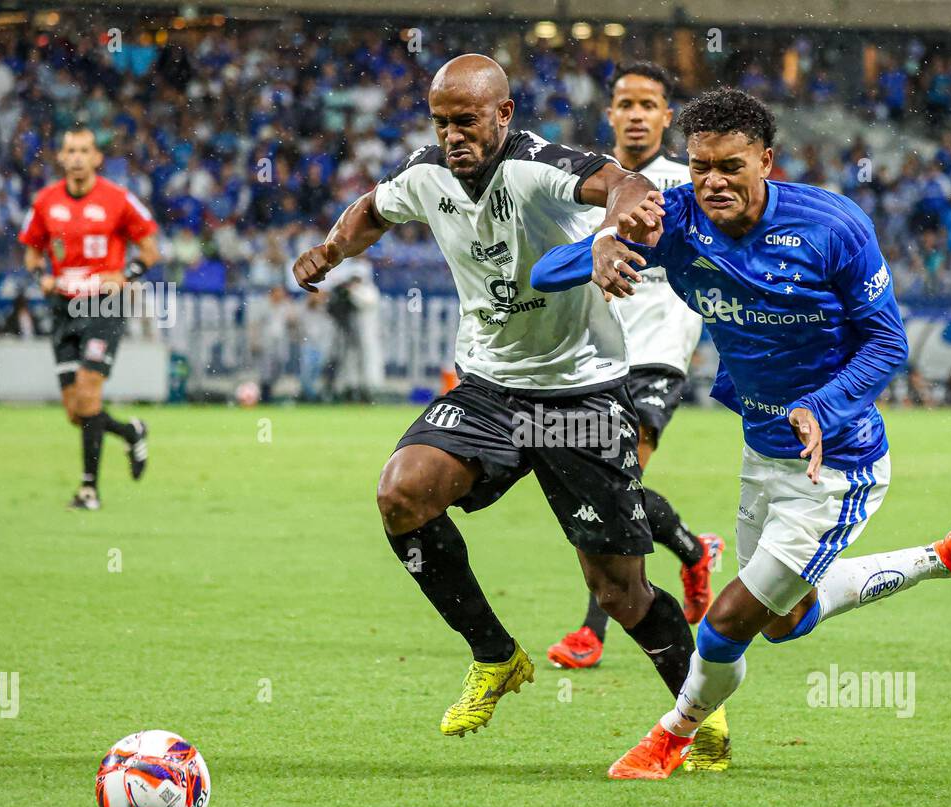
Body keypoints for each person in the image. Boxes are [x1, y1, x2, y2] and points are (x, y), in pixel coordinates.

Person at [530, 88, 951, 779]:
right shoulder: (674, 220)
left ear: (765, 161)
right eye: (701, 165)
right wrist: (595, 248)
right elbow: (542, 272)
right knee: (784, 620)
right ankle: (947, 555)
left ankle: (674, 735)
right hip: (762, 453)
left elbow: (887, 343)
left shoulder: (834, 224)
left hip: (836, 466)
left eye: (731, 167)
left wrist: (822, 409)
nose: (713, 181)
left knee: (727, 624)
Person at [292, 55, 727, 768]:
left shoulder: (537, 167)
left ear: (503, 114)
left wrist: (617, 225)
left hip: (582, 395)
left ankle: (699, 714)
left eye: (466, 120)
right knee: (402, 494)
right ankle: (495, 655)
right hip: (490, 390)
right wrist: (334, 247)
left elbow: (624, 182)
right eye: (441, 122)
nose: (453, 135)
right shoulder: (426, 174)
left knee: (618, 591)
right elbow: (372, 209)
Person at [544, 62, 725, 708]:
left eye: (651, 103)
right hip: (593, 361)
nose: (639, 114)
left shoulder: (688, 184)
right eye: (627, 103)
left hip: (658, 358)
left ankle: (593, 631)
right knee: (610, 488)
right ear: (612, 114)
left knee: (615, 485)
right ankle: (691, 547)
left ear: (667, 116)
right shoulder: (591, 186)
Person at [18, 127, 159, 510]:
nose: (77, 157)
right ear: (61, 158)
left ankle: (88, 491)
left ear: (97, 158)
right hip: (63, 306)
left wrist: (124, 275)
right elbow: (31, 253)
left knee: (88, 391)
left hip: (103, 304)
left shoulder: (118, 199)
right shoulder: (45, 201)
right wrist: (40, 277)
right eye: (70, 151)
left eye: (84, 151)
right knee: (74, 411)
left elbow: (150, 250)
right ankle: (130, 431)